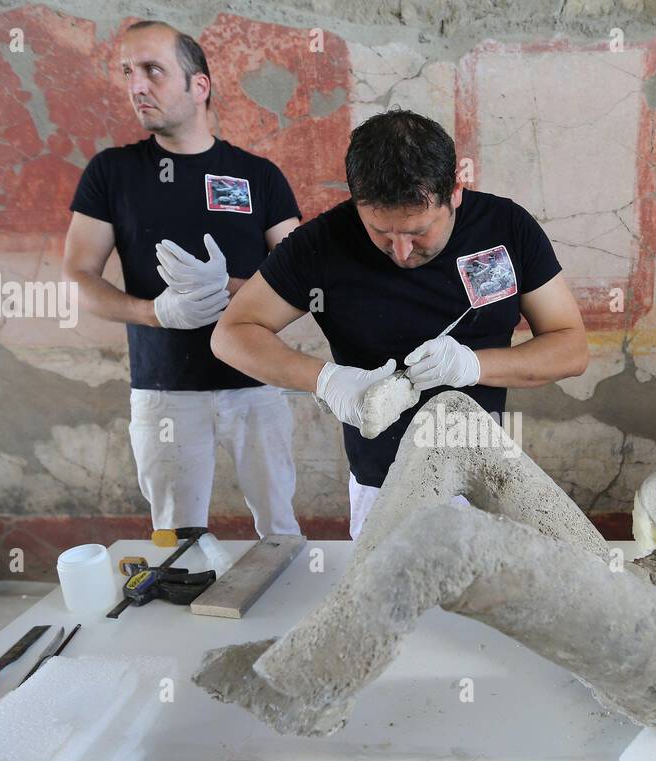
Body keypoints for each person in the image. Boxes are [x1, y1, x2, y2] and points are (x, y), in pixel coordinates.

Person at [209, 109, 589, 537]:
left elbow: (571, 348)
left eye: (418, 232)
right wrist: (328, 381)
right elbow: (231, 334)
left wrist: (473, 366)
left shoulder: (506, 228)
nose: (402, 251)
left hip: (486, 479)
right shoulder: (323, 243)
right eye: (381, 233)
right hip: (381, 486)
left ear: (455, 193)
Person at [61, 19, 301, 538]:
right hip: (164, 389)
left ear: (199, 86)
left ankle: (292, 617)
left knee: (280, 529)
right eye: (128, 71)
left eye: (152, 70)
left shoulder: (259, 175)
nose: (136, 85)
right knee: (174, 536)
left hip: (255, 383)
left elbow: (302, 281)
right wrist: (156, 311)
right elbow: (79, 276)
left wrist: (229, 291)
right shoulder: (112, 172)